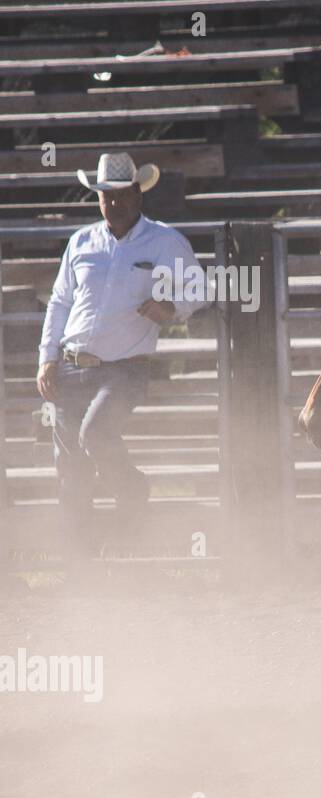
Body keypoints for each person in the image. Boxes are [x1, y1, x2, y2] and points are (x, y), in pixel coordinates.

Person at [36, 152, 204, 562]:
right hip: (73, 363)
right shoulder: (81, 241)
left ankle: (131, 493)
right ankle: (82, 563)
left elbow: (198, 289)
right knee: (70, 469)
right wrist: (48, 357)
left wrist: (172, 308)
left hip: (125, 368)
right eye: (105, 196)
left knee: (94, 434)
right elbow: (60, 302)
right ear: (99, 199)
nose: (113, 202)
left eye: (121, 194)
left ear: (137, 193)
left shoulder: (165, 241)